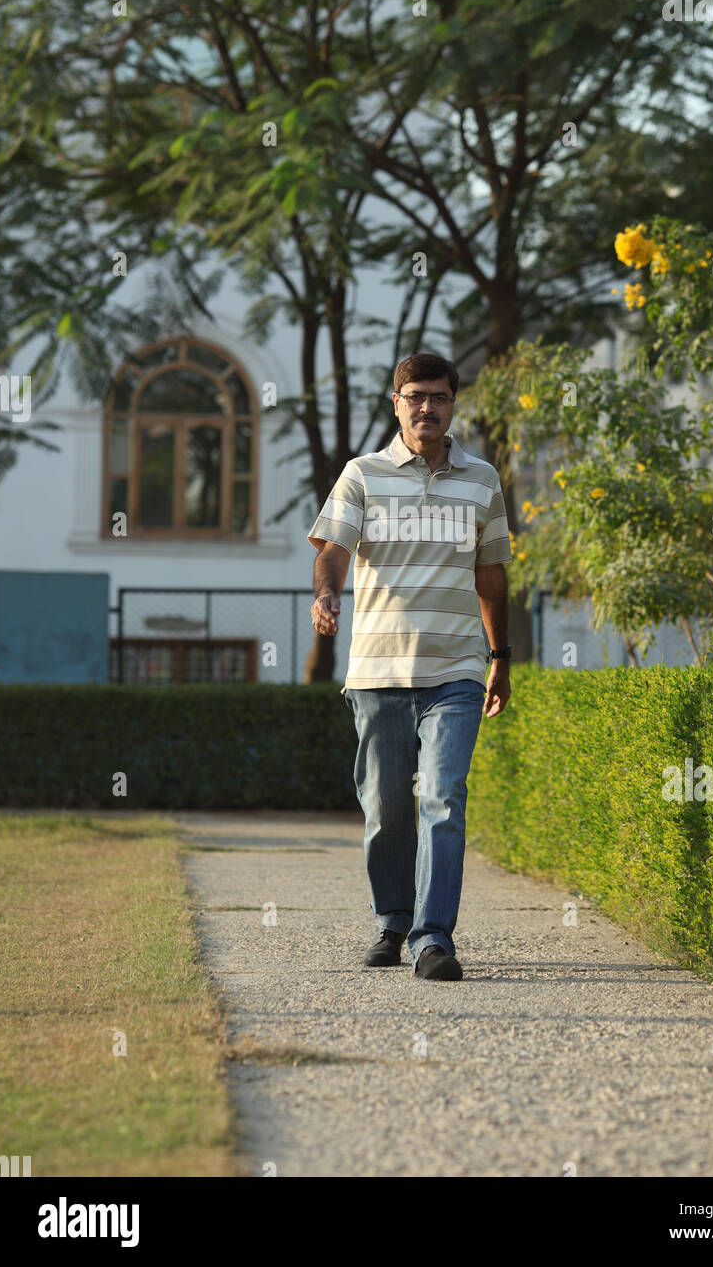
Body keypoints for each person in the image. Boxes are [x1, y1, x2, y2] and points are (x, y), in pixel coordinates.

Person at [307, 352, 513, 981]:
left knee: (444, 799)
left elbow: (491, 573)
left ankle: (433, 938)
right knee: (386, 807)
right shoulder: (362, 475)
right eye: (415, 396)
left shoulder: (481, 480)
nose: (428, 407)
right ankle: (393, 921)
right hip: (377, 670)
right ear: (395, 403)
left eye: (440, 397)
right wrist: (325, 593)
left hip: (456, 669)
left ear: (454, 405)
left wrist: (500, 658)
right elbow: (334, 549)